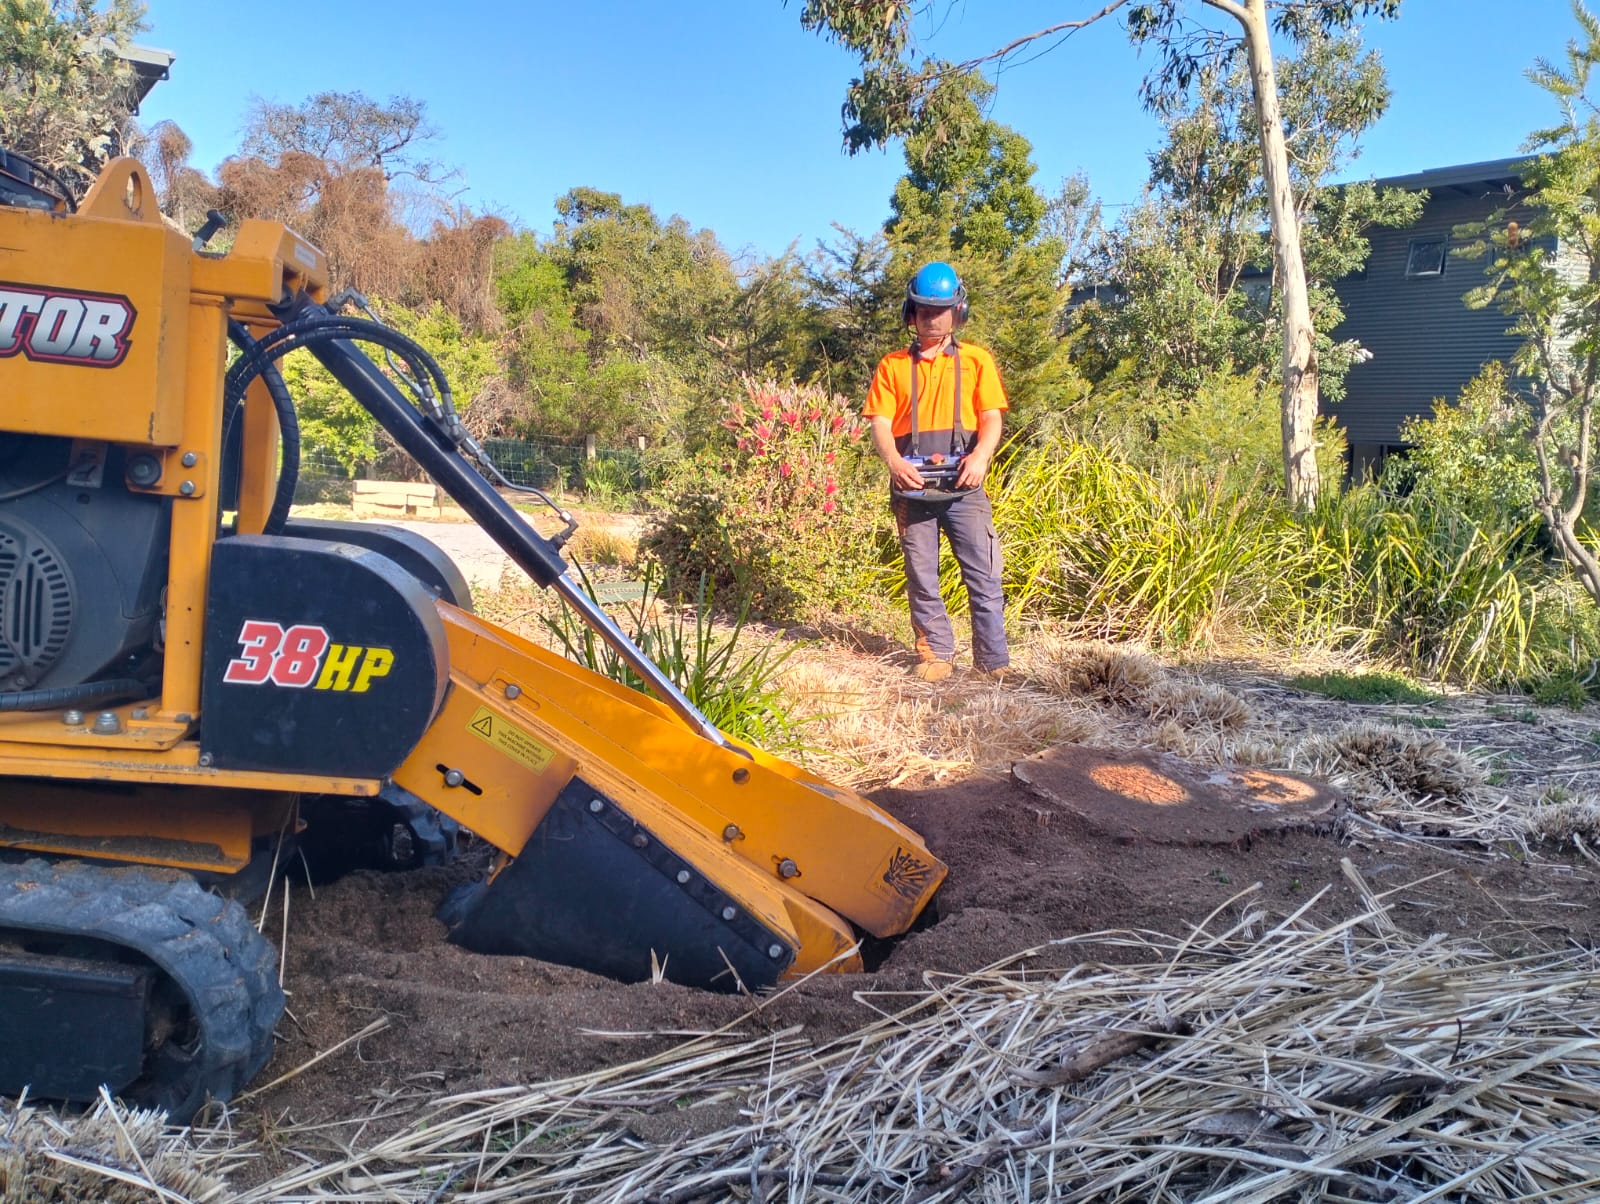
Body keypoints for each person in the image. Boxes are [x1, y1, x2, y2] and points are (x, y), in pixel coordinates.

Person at [864, 261, 1011, 683]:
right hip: (912, 489)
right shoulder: (891, 366)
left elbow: (991, 418)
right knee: (922, 574)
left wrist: (980, 457)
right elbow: (879, 423)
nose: (932, 317)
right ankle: (936, 655)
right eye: (924, 310)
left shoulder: (977, 361)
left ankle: (993, 662)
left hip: (966, 486)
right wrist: (894, 464)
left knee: (983, 573)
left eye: (941, 310)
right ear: (911, 312)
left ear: (957, 311)